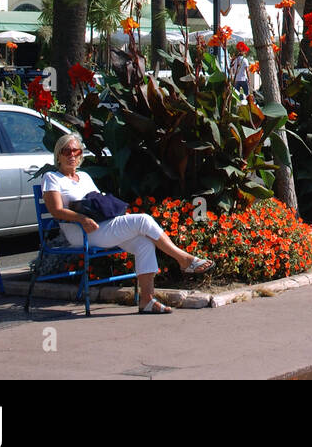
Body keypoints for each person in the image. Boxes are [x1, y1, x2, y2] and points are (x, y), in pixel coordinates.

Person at [42, 134, 214, 314]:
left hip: (102, 226)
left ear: (80, 154)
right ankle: (183, 259)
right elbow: (56, 210)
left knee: (144, 243)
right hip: (80, 232)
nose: (71, 155)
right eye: (66, 151)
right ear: (58, 155)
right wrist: (82, 219)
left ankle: (146, 301)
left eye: (75, 151)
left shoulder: (84, 176)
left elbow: (98, 202)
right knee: (143, 219)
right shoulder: (52, 178)